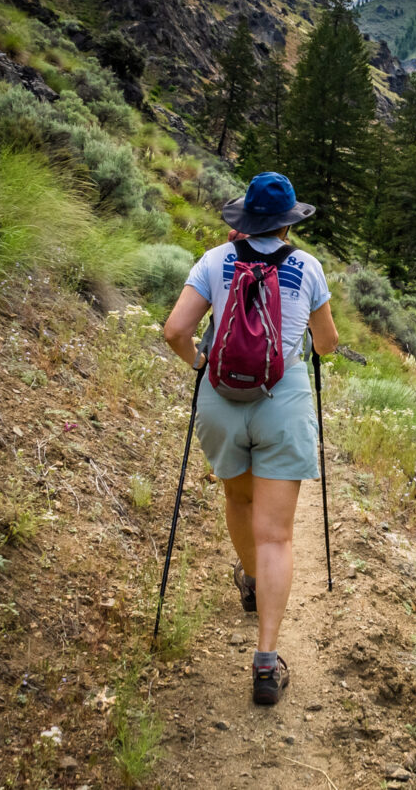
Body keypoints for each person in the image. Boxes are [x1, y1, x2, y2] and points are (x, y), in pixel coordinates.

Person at [163, 171, 338, 705]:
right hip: (282, 403)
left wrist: (201, 364)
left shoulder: (214, 260)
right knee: (277, 537)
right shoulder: (308, 267)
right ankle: (265, 664)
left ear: (245, 219)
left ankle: (252, 581)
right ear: (287, 224)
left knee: (239, 500)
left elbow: (175, 331)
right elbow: (327, 344)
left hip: (221, 398)